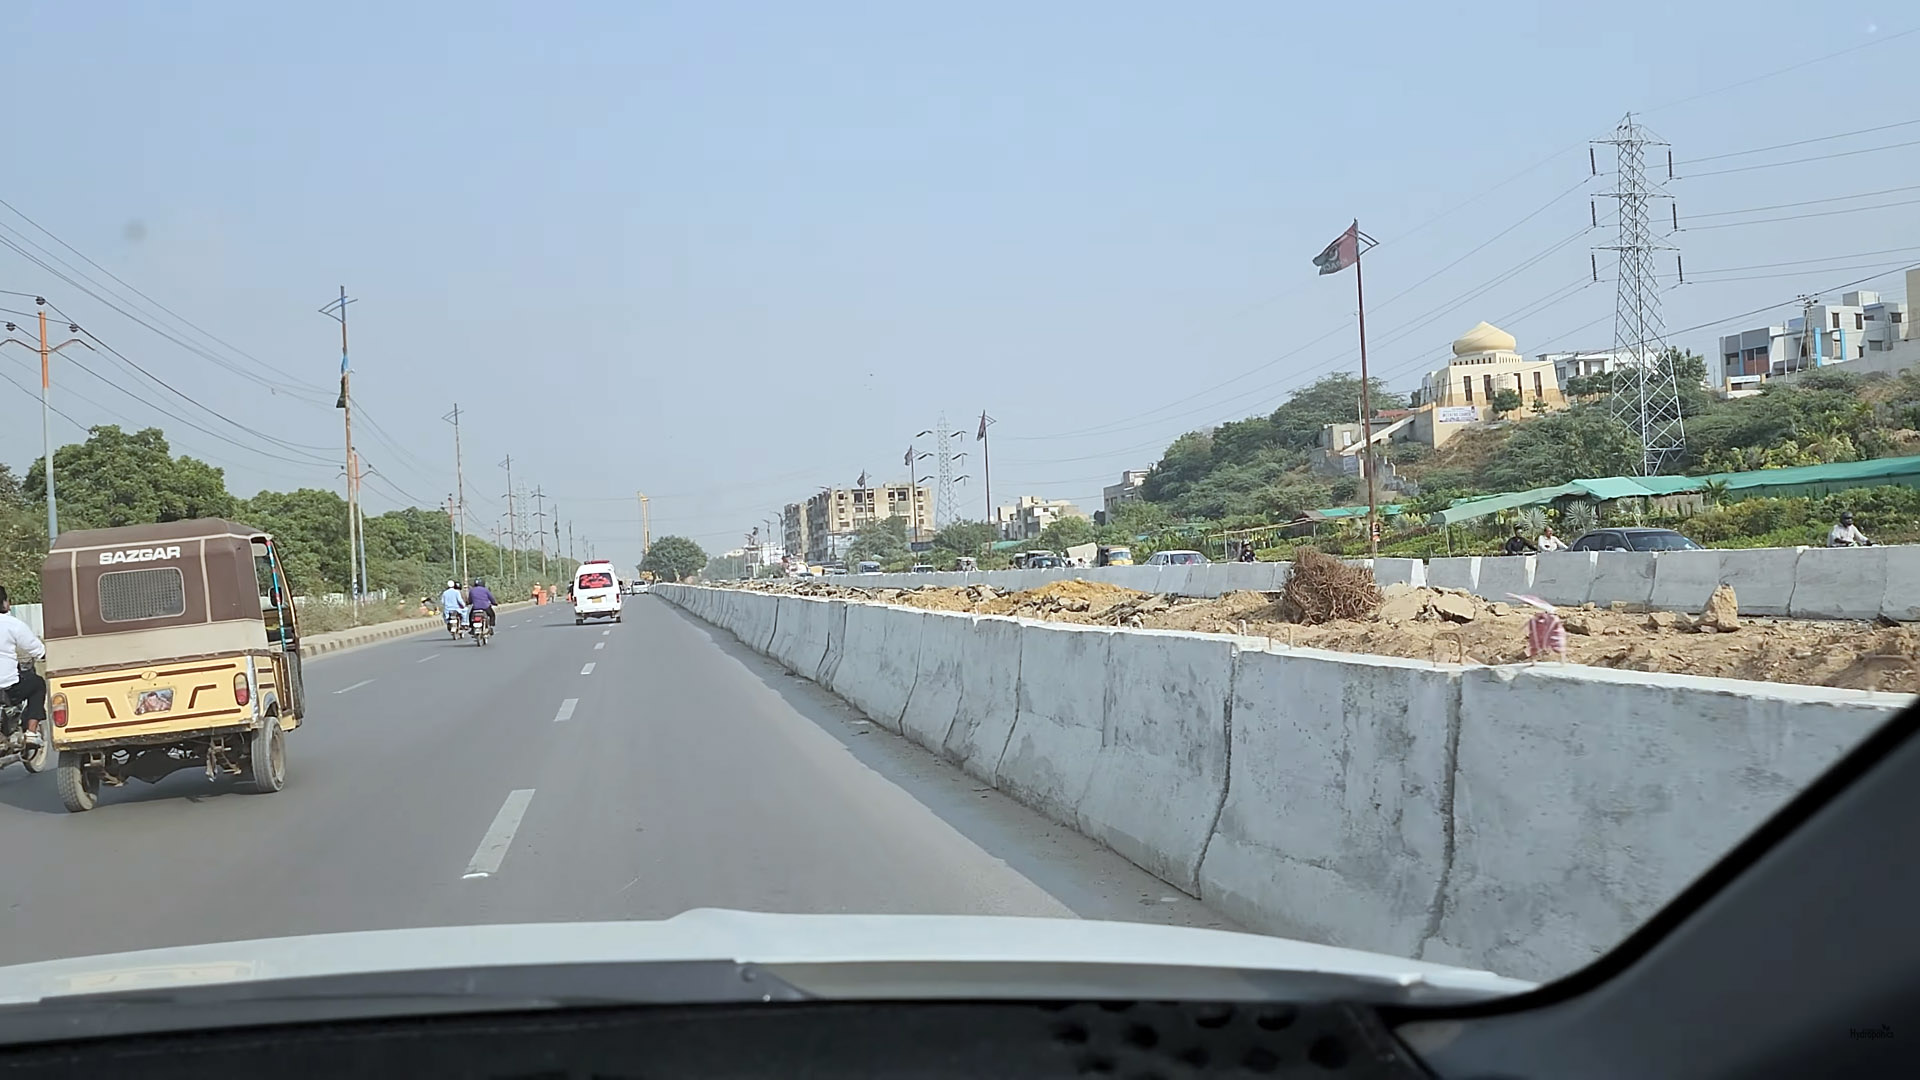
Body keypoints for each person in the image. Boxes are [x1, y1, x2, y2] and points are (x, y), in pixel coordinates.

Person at [0, 585, 48, 748]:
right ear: (5, 603)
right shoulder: (12, 624)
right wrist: (46, 655)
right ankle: (32, 733)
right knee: (38, 684)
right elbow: (37, 650)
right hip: (8, 687)